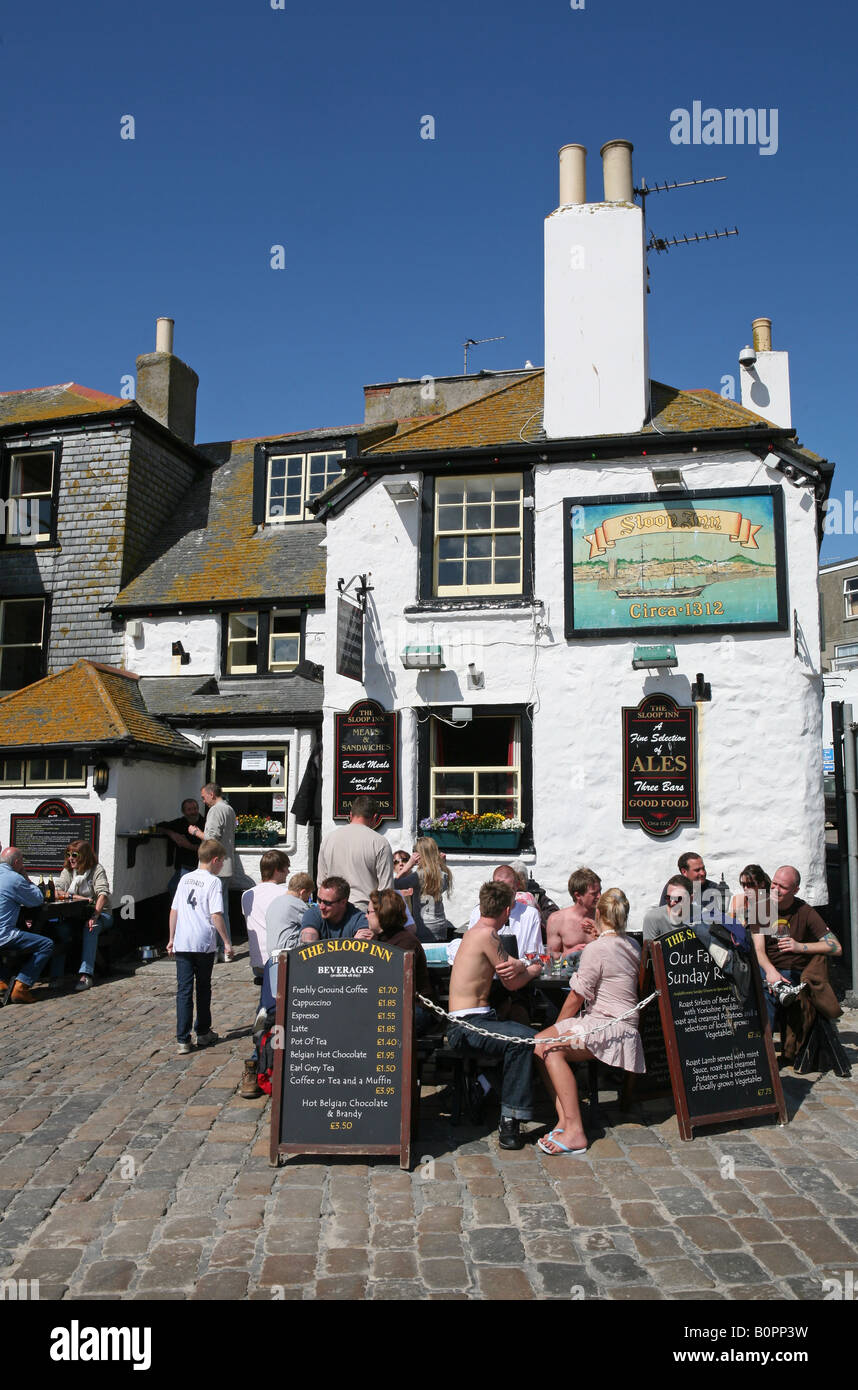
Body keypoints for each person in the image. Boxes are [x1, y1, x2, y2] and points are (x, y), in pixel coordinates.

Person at [534, 888, 644, 1155]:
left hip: (610, 1026)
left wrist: (558, 1029)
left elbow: (576, 996)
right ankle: (566, 1119)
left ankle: (576, 1132)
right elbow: (612, 953)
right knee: (538, 1043)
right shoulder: (632, 944)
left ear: (598, 915)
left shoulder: (597, 949)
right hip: (615, 1023)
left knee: (550, 1048)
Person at [447, 880, 542, 1151]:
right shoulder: (489, 935)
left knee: (524, 1034)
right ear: (507, 910)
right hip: (467, 1025)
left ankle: (483, 1085)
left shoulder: (476, 932)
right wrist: (533, 969)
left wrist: (519, 964)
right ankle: (510, 1120)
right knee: (524, 1041)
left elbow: (509, 967)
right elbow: (512, 983)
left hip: (473, 1020)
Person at [167, 838, 234, 1054]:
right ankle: (203, 1032)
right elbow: (216, 915)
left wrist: (171, 938)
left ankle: (183, 1039)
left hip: (183, 941)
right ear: (215, 860)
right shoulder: (213, 882)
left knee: (184, 990)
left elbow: (174, 910)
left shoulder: (185, 878)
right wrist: (226, 942)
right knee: (203, 988)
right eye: (222, 861)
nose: (222, 865)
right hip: (203, 941)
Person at [753, 866, 842, 1026]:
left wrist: (800, 947)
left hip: (794, 970)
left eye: (782, 887)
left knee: (784, 990)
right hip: (768, 967)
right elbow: (758, 950)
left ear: (795, 890)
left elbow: (836, 947)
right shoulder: (761, 908)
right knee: (764, 991)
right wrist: (771, 972)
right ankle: (766, 1040)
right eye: (774, 883)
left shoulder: (804, 911)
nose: (776, 889)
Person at [361, 888, 434, 1035]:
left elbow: (389, 981)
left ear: (382, 914)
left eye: (369, 912)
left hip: (414, 1008)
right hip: (386, 1006)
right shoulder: (378, 940)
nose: (366, 916)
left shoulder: (406, 942)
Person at [316, 795, 394, 912]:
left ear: (351, 815)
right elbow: (386, 890)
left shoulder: (329, 839)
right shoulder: (380, 843)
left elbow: (321, 882)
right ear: (375, 817)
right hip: (363, 910)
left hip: (333, 908)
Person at [57, 840, 113, 993]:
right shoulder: (68, 871)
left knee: (90, 928)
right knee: (61, 930)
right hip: (75, 914)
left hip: (100, 914)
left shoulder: (96, 870)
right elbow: (57, 891)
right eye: (68, 854)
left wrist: (94, 916)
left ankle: (86, 974)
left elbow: (103, 894)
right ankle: (56, 975)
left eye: (74, 855)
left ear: (84, 856)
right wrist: (77, 898)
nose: (70, 858)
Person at [188, 783, 236, 958]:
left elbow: (211, 839)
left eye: (203, 797)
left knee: (212, 911)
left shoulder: (215, 810)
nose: (203, 800)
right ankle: (225, 950)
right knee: (222, 910)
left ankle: (215, 950)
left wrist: (195, 832)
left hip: (215, 867)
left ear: (211, 794)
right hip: (226, 865)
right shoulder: (229, 809)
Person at [0, 846, 51, 1003]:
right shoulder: (14, 879)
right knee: (46, 944)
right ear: (17, 862)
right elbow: (37, 898)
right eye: (22, 862)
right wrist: (25, 877)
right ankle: (21, 987)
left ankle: (1, 981)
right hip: (3, 936)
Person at [466, 864, 543, 958]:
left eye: (509, 889)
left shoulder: (531, 914)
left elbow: (534, 955)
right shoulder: (478, 911)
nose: (504, 894)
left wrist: (517, 964)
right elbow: (472, 948)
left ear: (517, 886)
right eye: (500, 889)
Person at [240, 849, 290, 981]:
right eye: (286, 868)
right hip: (279, 961)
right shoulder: (285, 894)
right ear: (277, 870)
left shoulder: (246, 895)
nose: (288, 872)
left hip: (257, 963)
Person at [395, 837, 454, 941]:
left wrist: (408, 866)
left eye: (415, 853)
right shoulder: (442, 872)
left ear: (421, 854)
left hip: (424, 927)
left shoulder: (419, 875)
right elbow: (442, 887)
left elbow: (395, 884)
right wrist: (442, 864)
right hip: (440, 924)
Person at [546, 867, 601, 958]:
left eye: (600, 891)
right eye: (594, 893)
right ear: (578, 895)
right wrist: (568, 954)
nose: (599, 896)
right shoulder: (557, 920)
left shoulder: (605, 917)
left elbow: (616, 949)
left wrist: (601, 936)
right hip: (569, 966)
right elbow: (550, 956)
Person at [298, 876, 369, 943]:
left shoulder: (359, 919)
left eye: (327, 903)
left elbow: (363, 943)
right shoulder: (312, 914)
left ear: (343, 902)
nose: (321, 907)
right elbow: (308, 943)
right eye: (319, 900)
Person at [161, 798, 206, 897]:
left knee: (177, 887)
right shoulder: (180, 822)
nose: (193, 812)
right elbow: (160, 826)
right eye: (189, 809)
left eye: (195, 808)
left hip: (200, 866)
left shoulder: (205, 823)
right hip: (183, 865)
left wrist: (189, 846)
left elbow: (210, 847)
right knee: (174, 887)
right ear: (183, 812)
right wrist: (171, 833)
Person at [266, 872, 315, 957]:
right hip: (289, 952)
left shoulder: (275, 902)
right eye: (308, 895)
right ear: (302, 892)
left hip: (271, 953)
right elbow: (314, 922)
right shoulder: (297, 904)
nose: (308, 899)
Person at [642, 875, 692, 941]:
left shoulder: (702, 916)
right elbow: (649, 947)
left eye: (677, 899)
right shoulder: (654, 918)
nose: (672, 903)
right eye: (668, 898)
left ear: (691, 899)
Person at [730, 864, 773, 931]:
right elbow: (732, 928)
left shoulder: (771, 903)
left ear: (762, 884)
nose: (745, 888)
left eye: (750, 884)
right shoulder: (738, 901)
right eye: (743, 884)